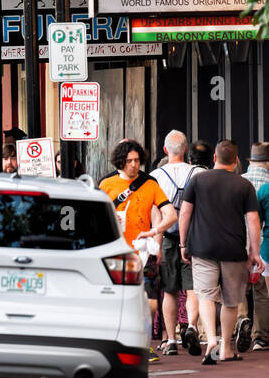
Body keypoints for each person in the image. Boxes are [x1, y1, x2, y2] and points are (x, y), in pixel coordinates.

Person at [179, 140, 265, 364]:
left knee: (206, 296)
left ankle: (212, 341)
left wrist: (182, 243)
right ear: (236, 161)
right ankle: (226, 347)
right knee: (231, 300)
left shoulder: (198, 180)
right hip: (233, 249)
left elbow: (185, 213)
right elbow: (253, 220)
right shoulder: (244, 185)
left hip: (202, 247)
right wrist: (254, 252)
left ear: (214, 158)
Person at [101, 138, 177, 358]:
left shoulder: (150, 183)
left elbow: (171, 214)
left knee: (150, 303)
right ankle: (122, 343)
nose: (134, 165)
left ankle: (144, 344)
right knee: (120, 301)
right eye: (129, 161)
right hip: (116, 251)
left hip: (144, 251)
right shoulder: (107, 184)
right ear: (120, 162)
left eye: (137, 160)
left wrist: (155, 232)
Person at [151, 130, 199, 355]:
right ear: (186, 149)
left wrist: (157, 245)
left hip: (168, 239)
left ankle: (170, 341)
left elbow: (156, 216)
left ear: (164, 150)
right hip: (193, 240)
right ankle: (192, 327)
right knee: (193, 290)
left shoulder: (156, 176)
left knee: (169, 292)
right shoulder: (198, 173)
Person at [251, 142, 269, 350]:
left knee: (262, 294)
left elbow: (258, 220)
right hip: (262, 247)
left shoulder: (262, 190)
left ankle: (255, 332)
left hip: (264, 247)